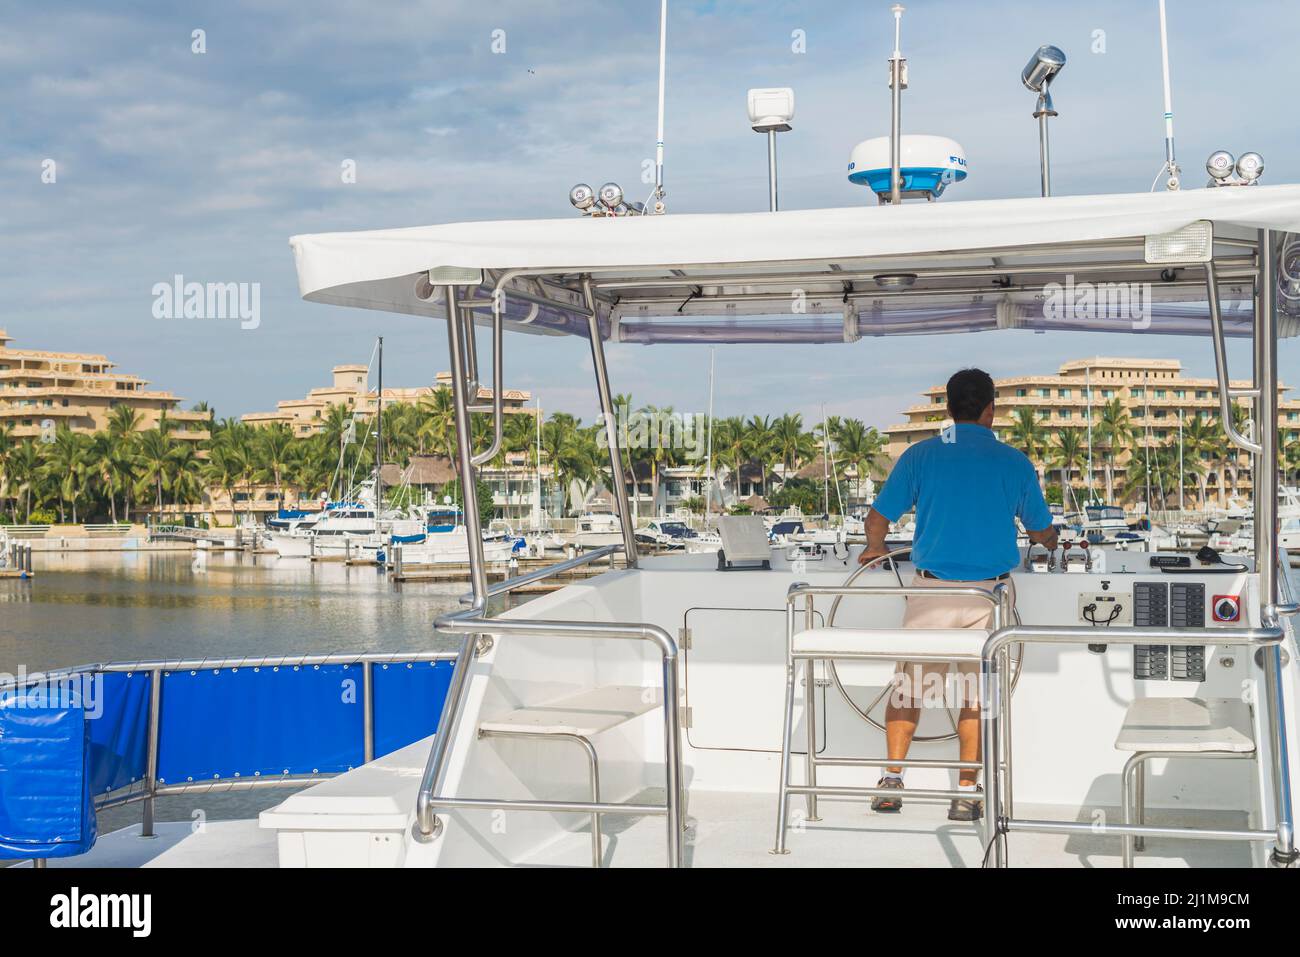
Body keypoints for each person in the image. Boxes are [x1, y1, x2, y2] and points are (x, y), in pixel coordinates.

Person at [858, 368, 1058, 821]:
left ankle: (892, 780)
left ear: (948, 410)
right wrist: (1052, 538)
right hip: (987, 595)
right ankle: (967, 791)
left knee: (909, 689)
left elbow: (877, 520)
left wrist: (874, 548)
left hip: (930, 591)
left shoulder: (921, 455)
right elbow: (1040, 529)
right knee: (974, 692)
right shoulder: (1014, 462)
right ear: (991, 410)